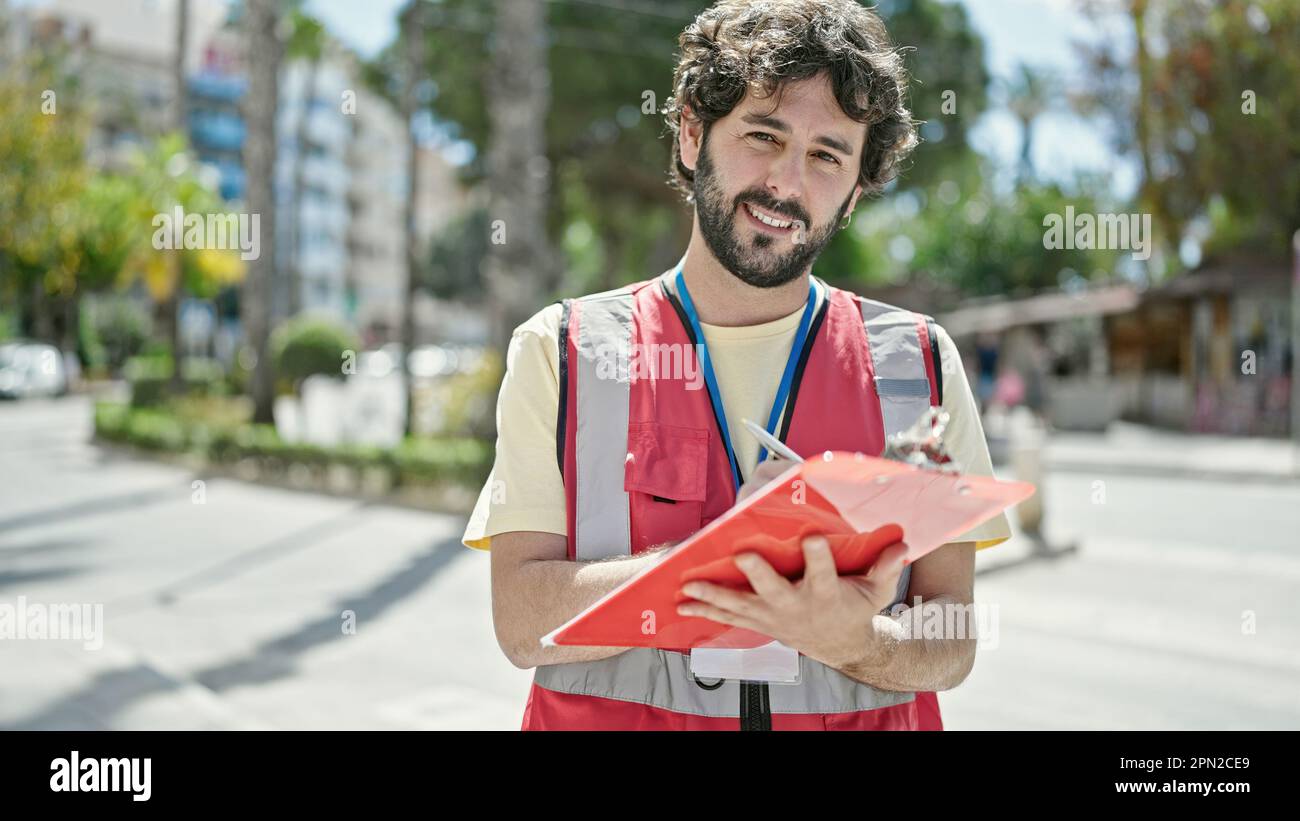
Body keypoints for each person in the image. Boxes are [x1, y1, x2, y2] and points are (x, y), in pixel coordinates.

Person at [462, 0, 1010, 731]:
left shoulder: (919, 362)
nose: (786, 183)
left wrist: (861, 641)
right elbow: (522, 622)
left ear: (853, 191)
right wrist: (719, 564)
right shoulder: (562, 351)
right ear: (693, 133)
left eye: (827, 155)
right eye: (763, 134)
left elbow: (954, 634)